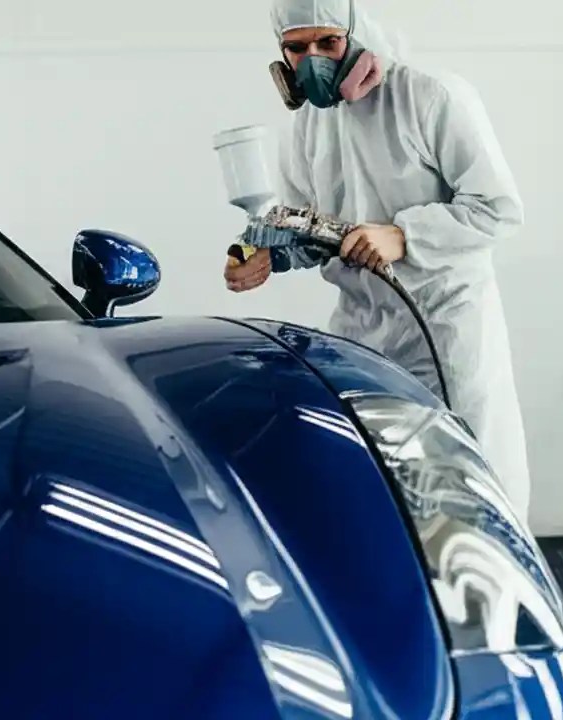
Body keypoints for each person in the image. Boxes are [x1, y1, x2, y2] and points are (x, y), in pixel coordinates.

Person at [222, 0, 534, 520]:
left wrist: (403, 235)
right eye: (297, 49)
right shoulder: (307, 127)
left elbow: (498, 209)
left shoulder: (430, 97)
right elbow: (314, 228)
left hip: (444, 327)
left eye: (329, 43)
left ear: (357, 32)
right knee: (379, 492)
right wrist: (268, 255)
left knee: (467, 487)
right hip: (362, 334)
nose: (313, 61)